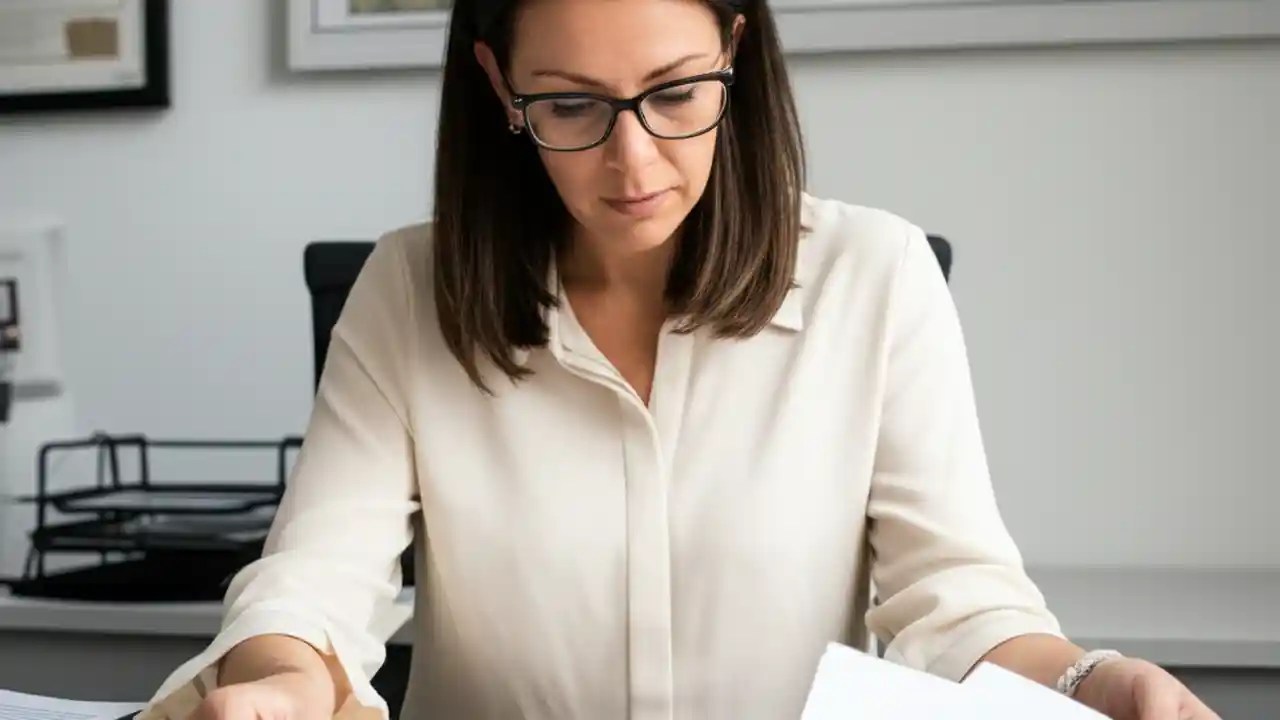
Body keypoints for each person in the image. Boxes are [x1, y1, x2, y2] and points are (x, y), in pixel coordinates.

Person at [139, 0, 1221, 718]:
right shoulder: (405, 291)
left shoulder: (876, 276)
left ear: (735, 54)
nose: (632, 160)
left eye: (674, 93)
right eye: (569, 106)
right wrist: (277, 685)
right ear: (497, 88)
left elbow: (957, 602)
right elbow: (314, 585)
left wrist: (1093, 681)